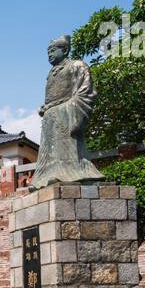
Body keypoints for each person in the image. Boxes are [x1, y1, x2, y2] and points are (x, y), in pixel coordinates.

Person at [32, 35, 105, 189]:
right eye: (48, 52)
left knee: (66, 146)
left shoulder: (77, 66)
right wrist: (47, 108)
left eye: (53, 50)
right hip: (50, 119)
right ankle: (45, 177)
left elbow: (86, 91)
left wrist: (65, 107)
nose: (50, 54)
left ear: (64, 50)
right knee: (48, 150)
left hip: (67, 114)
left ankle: (71, 173)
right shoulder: (51, 74)